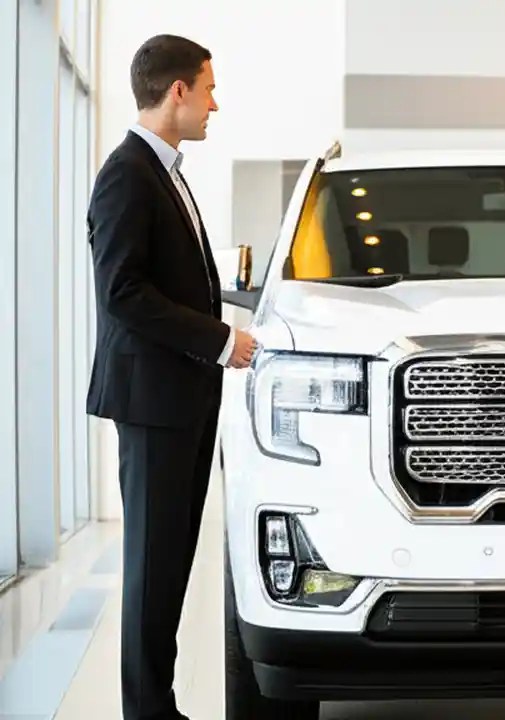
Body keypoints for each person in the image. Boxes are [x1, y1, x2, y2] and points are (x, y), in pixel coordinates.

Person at [86, 34, 256, 720]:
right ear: (177, 91)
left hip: (179, 401)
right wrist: (220, 340)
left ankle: (157, 706)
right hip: (155, 404)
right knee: (153, 570)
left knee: (168, 569)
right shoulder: (129, 172)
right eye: (208, 88)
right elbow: (122, 292)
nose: (216, 102)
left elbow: (167, 282)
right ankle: (147, 712)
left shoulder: (166, 170)